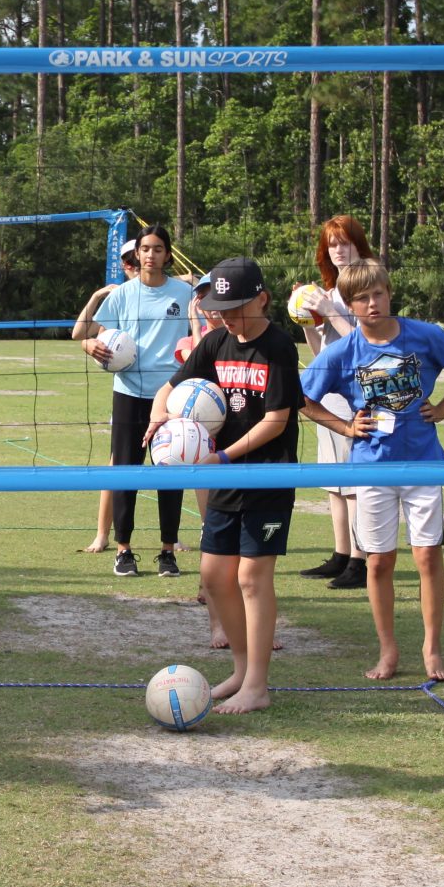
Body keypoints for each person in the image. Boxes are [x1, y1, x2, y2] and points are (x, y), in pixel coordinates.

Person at [150, 256, 307, 714]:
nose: (227, 317)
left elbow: (276, 421)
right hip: (223, 477)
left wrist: (221, 456)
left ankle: (257, 685)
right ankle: (240, 670)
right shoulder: (215, 341)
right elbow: (170, 388)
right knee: (216, 577)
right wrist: (161, 415)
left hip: (266, 475)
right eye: (220, 309)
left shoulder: (278, 346)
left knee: (251, 579)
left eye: (236, 308)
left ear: (262, 300)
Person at [299, 260, 444, 683]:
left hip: (423, 464)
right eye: (362, 298)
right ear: (349, 306)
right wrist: (346, 427)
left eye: (378, 294)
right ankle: (388, 650)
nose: (372, 303)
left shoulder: (425, 335)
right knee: (379, 562)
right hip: (370, 469)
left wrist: (443, 408)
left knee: (427, 555)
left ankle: (432, 647)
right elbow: (301, 398)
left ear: (389, 294)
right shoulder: (343, 351)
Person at [84, 226, 194, 577]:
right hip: (129, 393)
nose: (150, 255)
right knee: (125, 473)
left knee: (170, 472)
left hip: (170, 397)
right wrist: (90, 345)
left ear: (167, 255)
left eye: (158, 249)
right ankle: (123, 550)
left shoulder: (185, 293)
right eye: (145, 249)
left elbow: (201, 334)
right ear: (138, 254)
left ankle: (167, 552)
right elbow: (95, 336)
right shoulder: (123, 294)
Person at [291, 215, 375, 590]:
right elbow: (321, 352)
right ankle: (341, 554)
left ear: (359, 245)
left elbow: (365, 344)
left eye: (344, 242)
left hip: (358, 396)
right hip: (330, 396)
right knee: (334, 481)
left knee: (354, 483)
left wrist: (331, 312)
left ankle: (360, 560)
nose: (338, 250)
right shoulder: (331, 292)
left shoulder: (366, 286)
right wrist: (309, 322)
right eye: (331, 244)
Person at [71, 240, 139, 554]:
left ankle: (174, 538)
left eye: (138, 258)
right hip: (128, 392)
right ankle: (102, 534)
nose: (134, 265)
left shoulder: (168, 291)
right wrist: (97, 295)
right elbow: (80, 334)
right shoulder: (118, 298)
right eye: (129, 261)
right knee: (116, 465)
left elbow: (192, 280)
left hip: (164, 390)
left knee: (174, 458)